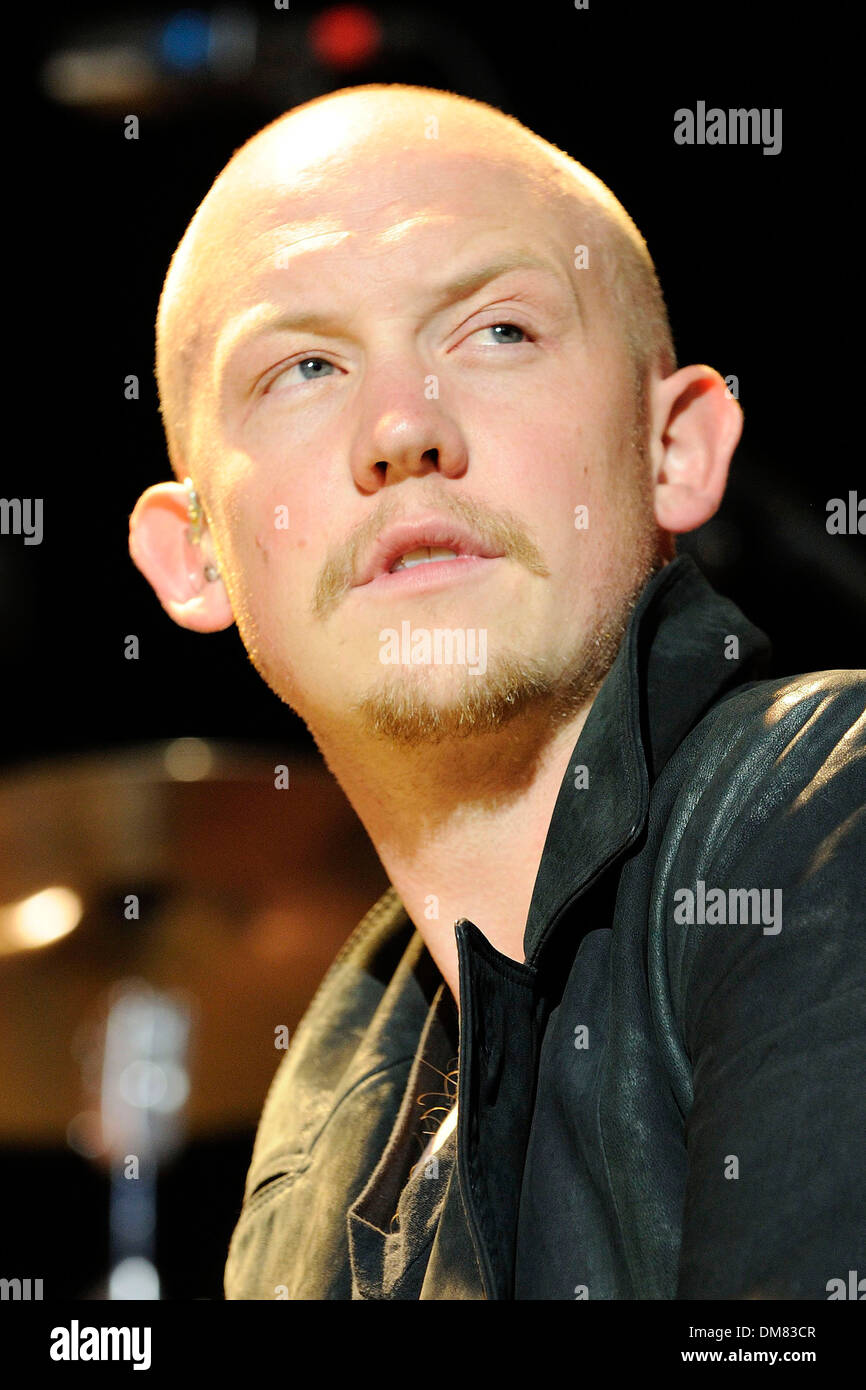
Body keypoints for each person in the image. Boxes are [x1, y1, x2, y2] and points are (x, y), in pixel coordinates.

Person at [128, 83, 865, 1300]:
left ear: (672, 445)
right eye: (304, 365)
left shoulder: (823, 815)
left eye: (496, 332)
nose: (404, 425)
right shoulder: (319, 1127)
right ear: (195, 552)